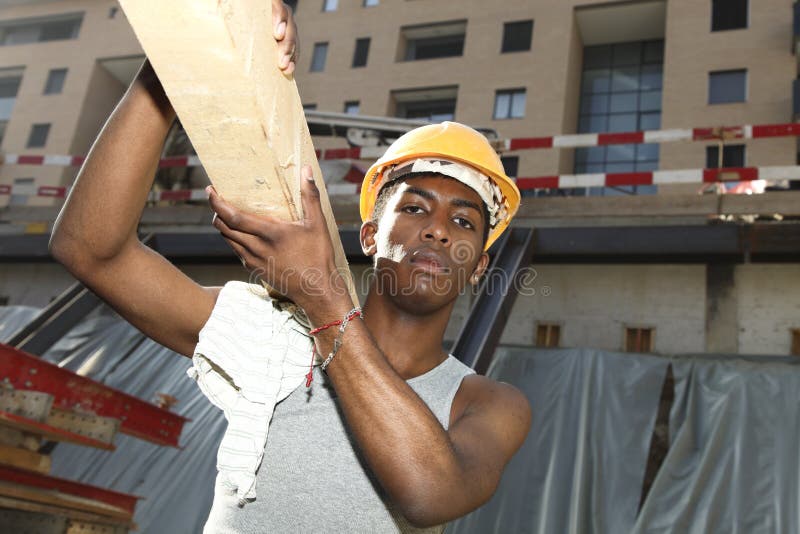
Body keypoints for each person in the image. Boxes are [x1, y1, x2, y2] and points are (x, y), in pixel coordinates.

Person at [49, 1, 531, 532]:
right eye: (415, 208)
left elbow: (431, 494)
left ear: (480, 266)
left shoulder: (488, 402)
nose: (439, 229)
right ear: (370, 235)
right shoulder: (273, 339)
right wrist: (177, 56)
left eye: (463, 222)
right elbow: (90, 250)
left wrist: (323, 296)